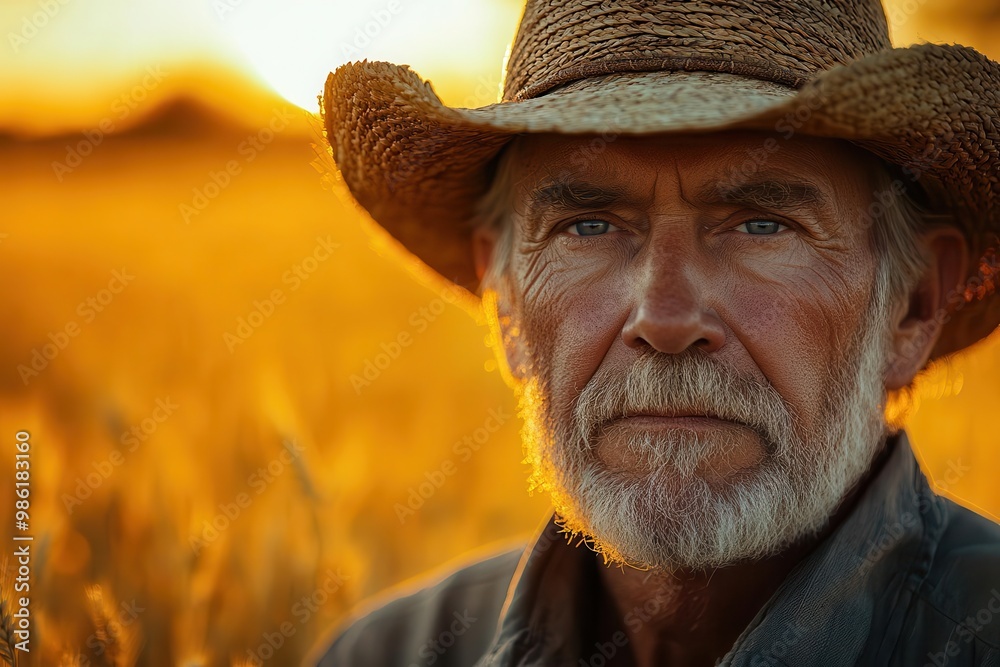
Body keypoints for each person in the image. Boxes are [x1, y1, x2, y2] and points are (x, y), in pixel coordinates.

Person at [308, 0, 1000, 664]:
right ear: (508, 304)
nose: (665, 320)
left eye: (762, 223)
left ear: (912, 304)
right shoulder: (386, 654)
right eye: (587, 225)